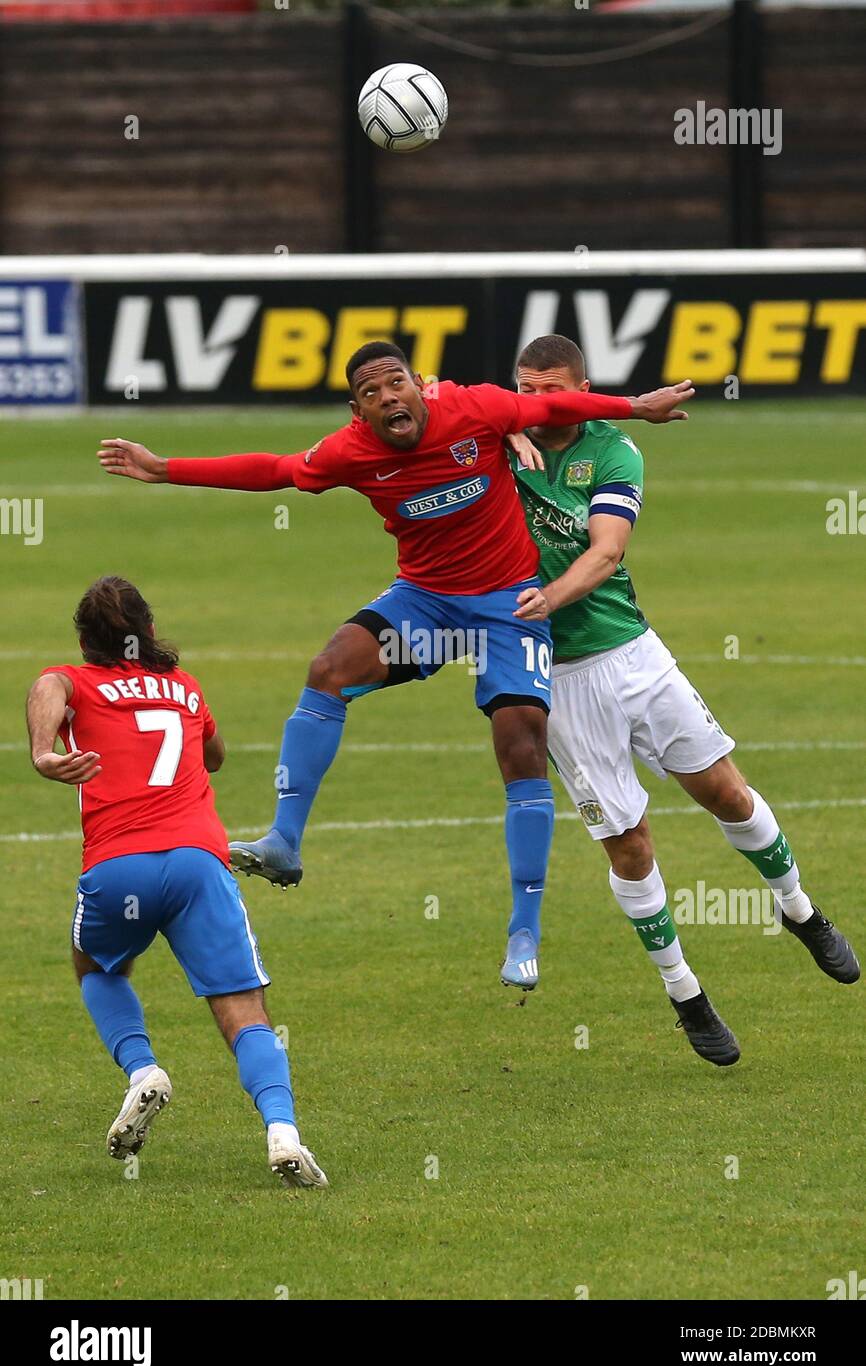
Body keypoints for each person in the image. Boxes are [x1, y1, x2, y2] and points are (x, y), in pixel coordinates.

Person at [97, 341, 693, 990]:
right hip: (427, 605)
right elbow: (272, 469)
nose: (389, 397)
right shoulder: (351, 451)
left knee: (521, 739)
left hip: (507, 604)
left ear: (418, 385)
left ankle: (524, 929)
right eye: (373, 392)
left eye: (397, 383)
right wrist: (165, 470)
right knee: (330, 669)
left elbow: (554, 402)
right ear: (360, 410)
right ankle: (284, 843)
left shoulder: (474, 409)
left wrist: (637, 407)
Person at [505, 333, 859, 1063]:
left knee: (726, 793)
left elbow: (606, 552)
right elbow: (428, 389)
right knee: (627, 842)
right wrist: (502, 422)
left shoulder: (614, 453)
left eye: (553, 392)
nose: (539, 405)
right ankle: (686, 994)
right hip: (560, 682)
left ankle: (801, 910)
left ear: (583, 388)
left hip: (635, 658)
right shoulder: (493, 438)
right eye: (525, 390)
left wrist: (547, 600)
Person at [26, 575, 327, 1186]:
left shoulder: (75, 682)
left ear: (85, 643)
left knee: (98, 968)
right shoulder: (185, 689)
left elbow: (46, 685)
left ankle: (142, 1071)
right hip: (198, 865)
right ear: (150, 631)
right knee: (244, 1012)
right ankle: (282, 1133)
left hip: (118, 869)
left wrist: (44, 752)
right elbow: (215, 755)